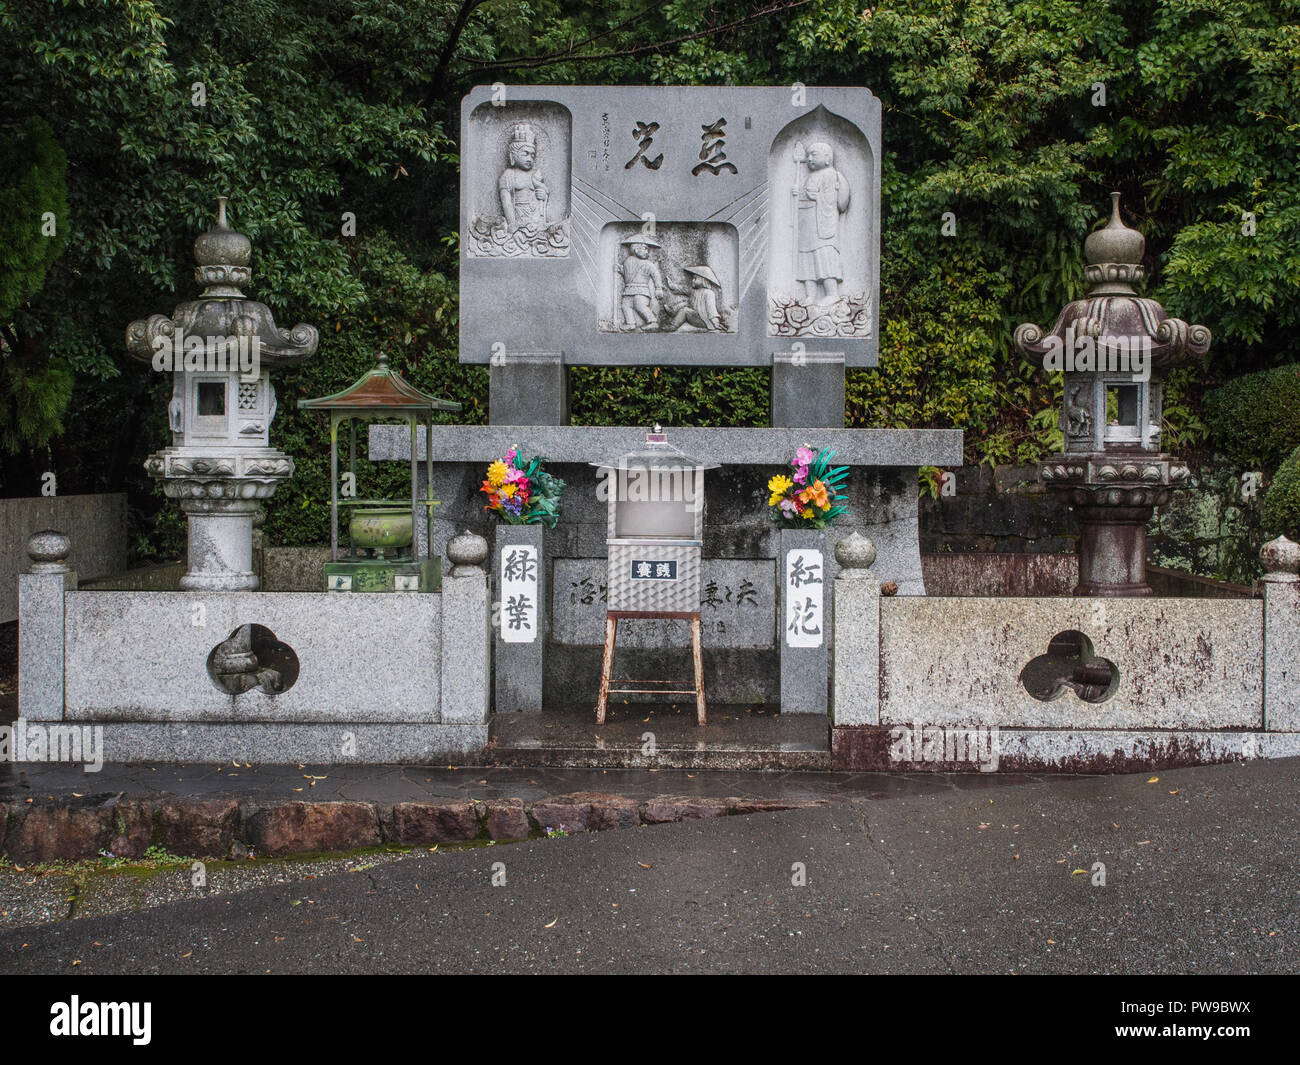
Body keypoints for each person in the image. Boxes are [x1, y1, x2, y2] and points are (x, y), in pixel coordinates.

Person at [793, 141, 850, 304]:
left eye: (814, 155)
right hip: (807, 224)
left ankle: (832, 293)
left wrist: (816, 197)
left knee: (824, 255)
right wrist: (797, 193)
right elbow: (802, 198)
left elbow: (831, 201)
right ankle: (810, 294)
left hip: (823, 224)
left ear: (827, 158)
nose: (809, 158)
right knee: (806, 257)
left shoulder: (830, 174)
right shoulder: (808, 177)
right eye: (808, 155)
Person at [498, 123, 549, 233]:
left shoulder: (535, 175)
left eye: (532, 155)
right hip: (518, 219)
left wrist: (543, 196)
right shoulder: (509, 175)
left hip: (535, 219)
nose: (529, 158)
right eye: (525, 154)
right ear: (513, 155)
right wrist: (512, 223)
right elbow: (506, 201)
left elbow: (542, 195)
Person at [619, 237, 663, 330]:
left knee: (640, 306)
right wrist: (620, 270)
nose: (647, 252)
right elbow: (628, 276)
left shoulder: (648, 263)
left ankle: (652, 321)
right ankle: (630, 323)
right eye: (645, 248)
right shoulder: (627, 261)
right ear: (635, 249)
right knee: (625, 306)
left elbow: (656, 275)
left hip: (642, 290)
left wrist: (659, 288)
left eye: (648, 249)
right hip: (628, 290)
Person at [664, 265, 726, 331]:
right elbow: (682, 289)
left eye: (695, 278)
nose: (692, 280)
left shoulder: (709, 293)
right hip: (696, 315)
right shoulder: (694, 291)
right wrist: (672, 285)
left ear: (703, 280)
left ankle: (673, 326)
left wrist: (715, 323)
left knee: (685, 310)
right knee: (685, 302)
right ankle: (673, 311)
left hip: (704, 320)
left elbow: (711, 310)